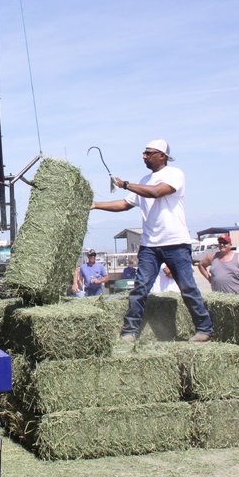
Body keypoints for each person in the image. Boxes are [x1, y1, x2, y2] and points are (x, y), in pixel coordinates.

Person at [90, 139, 213, 343]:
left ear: (162, 156)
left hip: (175, 242)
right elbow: (124, 204)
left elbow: (157, 192)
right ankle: (130, 332)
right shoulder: (144, 179)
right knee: (140, 288)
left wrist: (125, 184)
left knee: (188, 288)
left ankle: (204, 329)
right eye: (144, 153)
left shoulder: (175, 174)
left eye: (149, 153)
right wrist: (96, 205)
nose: (144, 156)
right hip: (149, 245)